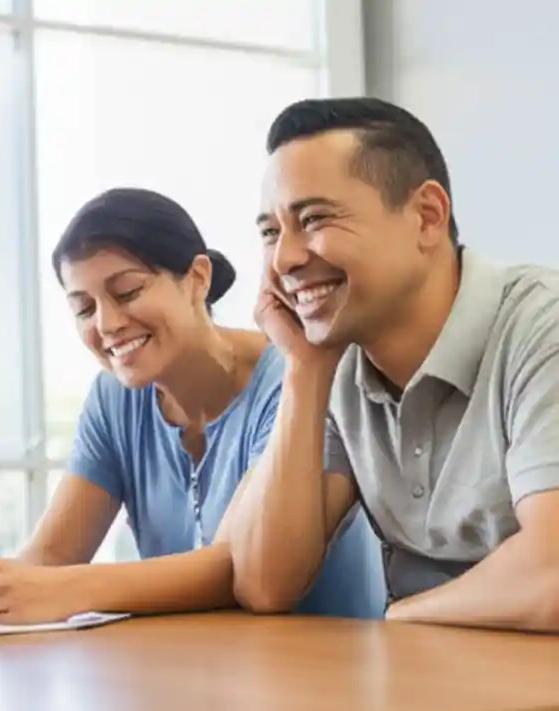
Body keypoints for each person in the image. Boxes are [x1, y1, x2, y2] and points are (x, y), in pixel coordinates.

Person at [0, 188, 383, 624]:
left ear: (198, 279)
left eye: (127, 292)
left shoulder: (299, 377)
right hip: (195, 677)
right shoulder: (115, 400)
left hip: (320, 675)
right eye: (84, 308)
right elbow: (52, 556)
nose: (107, 324)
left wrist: (67, 589)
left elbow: (237, 567)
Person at [232, 96, 559, 633]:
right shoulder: (339, 357)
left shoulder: (540, 328)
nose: (285, 259)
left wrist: (401, 615)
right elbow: (264, 582)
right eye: (271, 233)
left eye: (313, 219)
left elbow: (551, 572)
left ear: (427, 217)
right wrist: (304, 370)